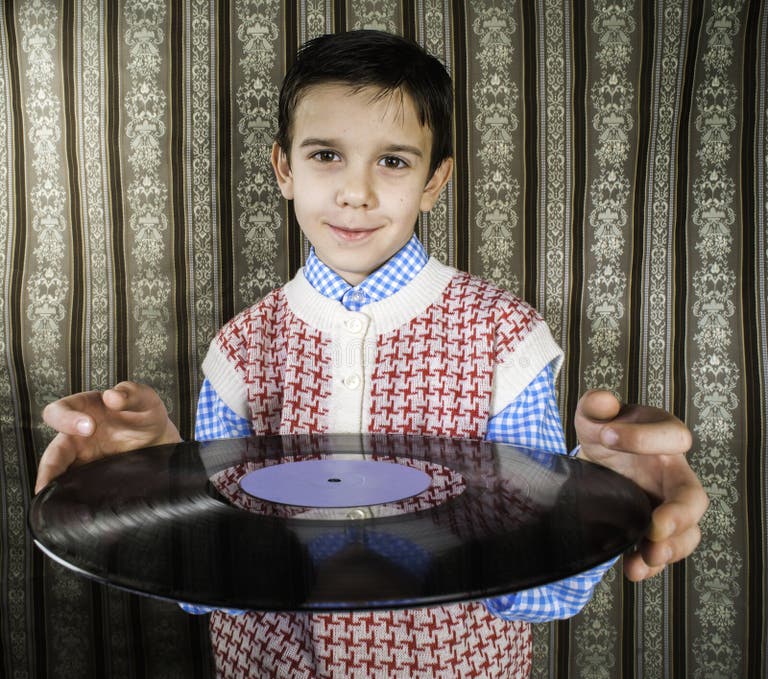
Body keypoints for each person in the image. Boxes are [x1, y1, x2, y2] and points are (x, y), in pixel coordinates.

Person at [36, 30, 707, 678]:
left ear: (434, 181)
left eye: (392, 160)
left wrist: (603, 508)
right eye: (326, 154)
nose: (355, 190)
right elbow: (214, 587)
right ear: (284, 168)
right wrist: (151, 487)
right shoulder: (240, 350)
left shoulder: (505, 337)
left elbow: (537, 595)